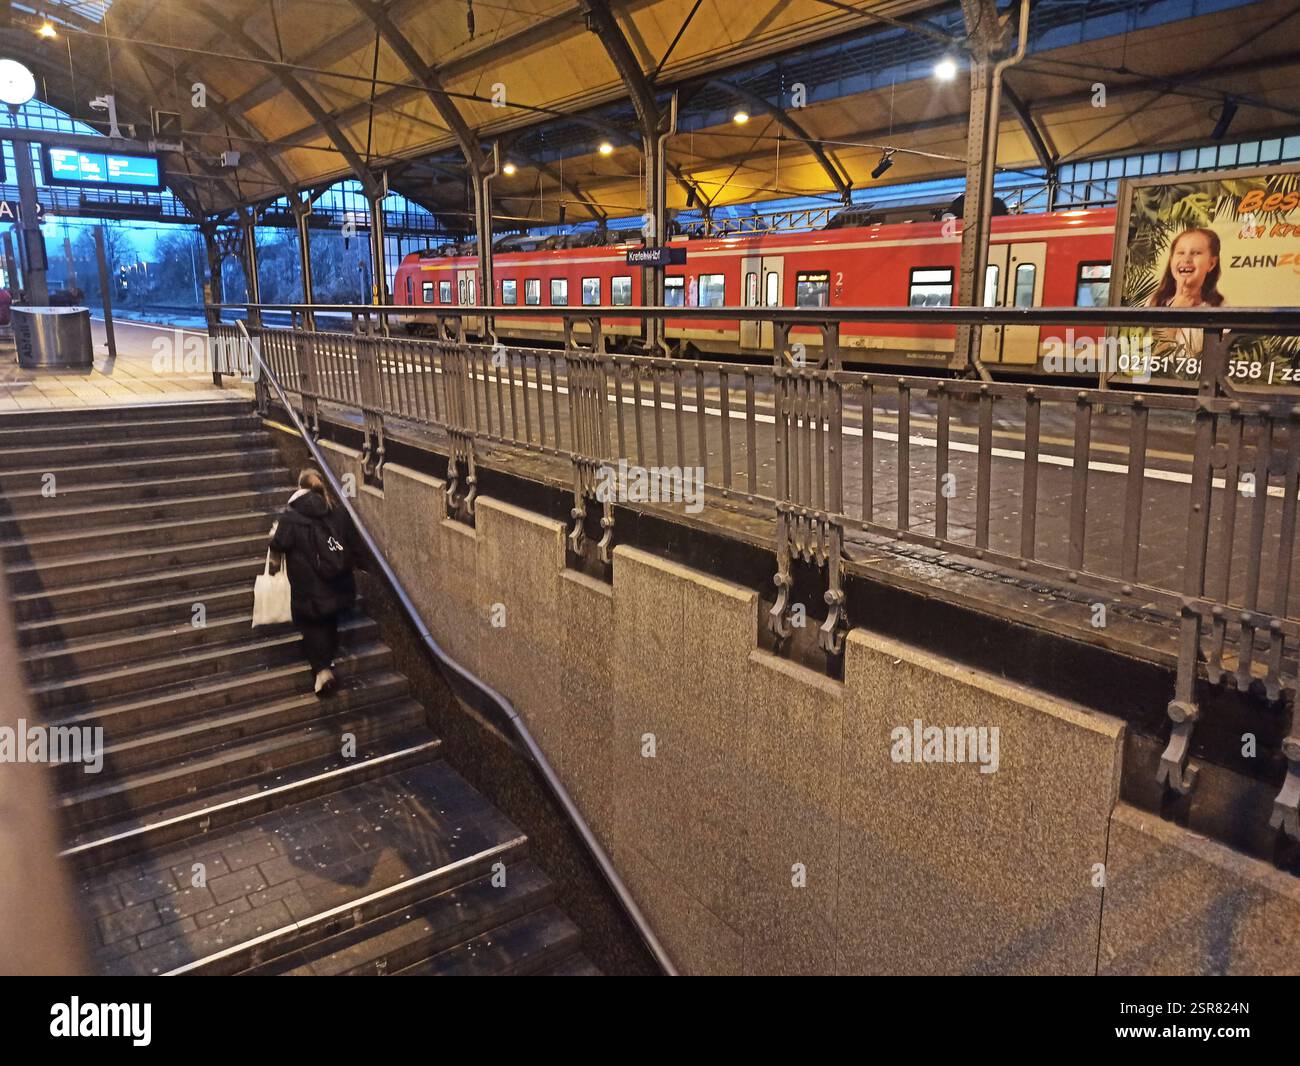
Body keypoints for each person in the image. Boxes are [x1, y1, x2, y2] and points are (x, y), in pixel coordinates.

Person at [269, 469, 359, 696]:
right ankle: (327, 662)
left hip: (308, 586)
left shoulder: (291, 516)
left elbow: (279, 545)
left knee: (311, 625)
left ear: (300, 488)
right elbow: (350, 543)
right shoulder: (336, 510)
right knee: (329, 621)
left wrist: (272, 565)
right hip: (336, 582)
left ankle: (322, 671)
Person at [1146, 227, 1228, 357]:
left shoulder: (1219, 307)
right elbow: (1147, 355)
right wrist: (1175, 312)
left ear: (1211, 263)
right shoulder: (1155, 302)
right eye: (1180, 252)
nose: (1187, 259)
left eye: (1196, 253)